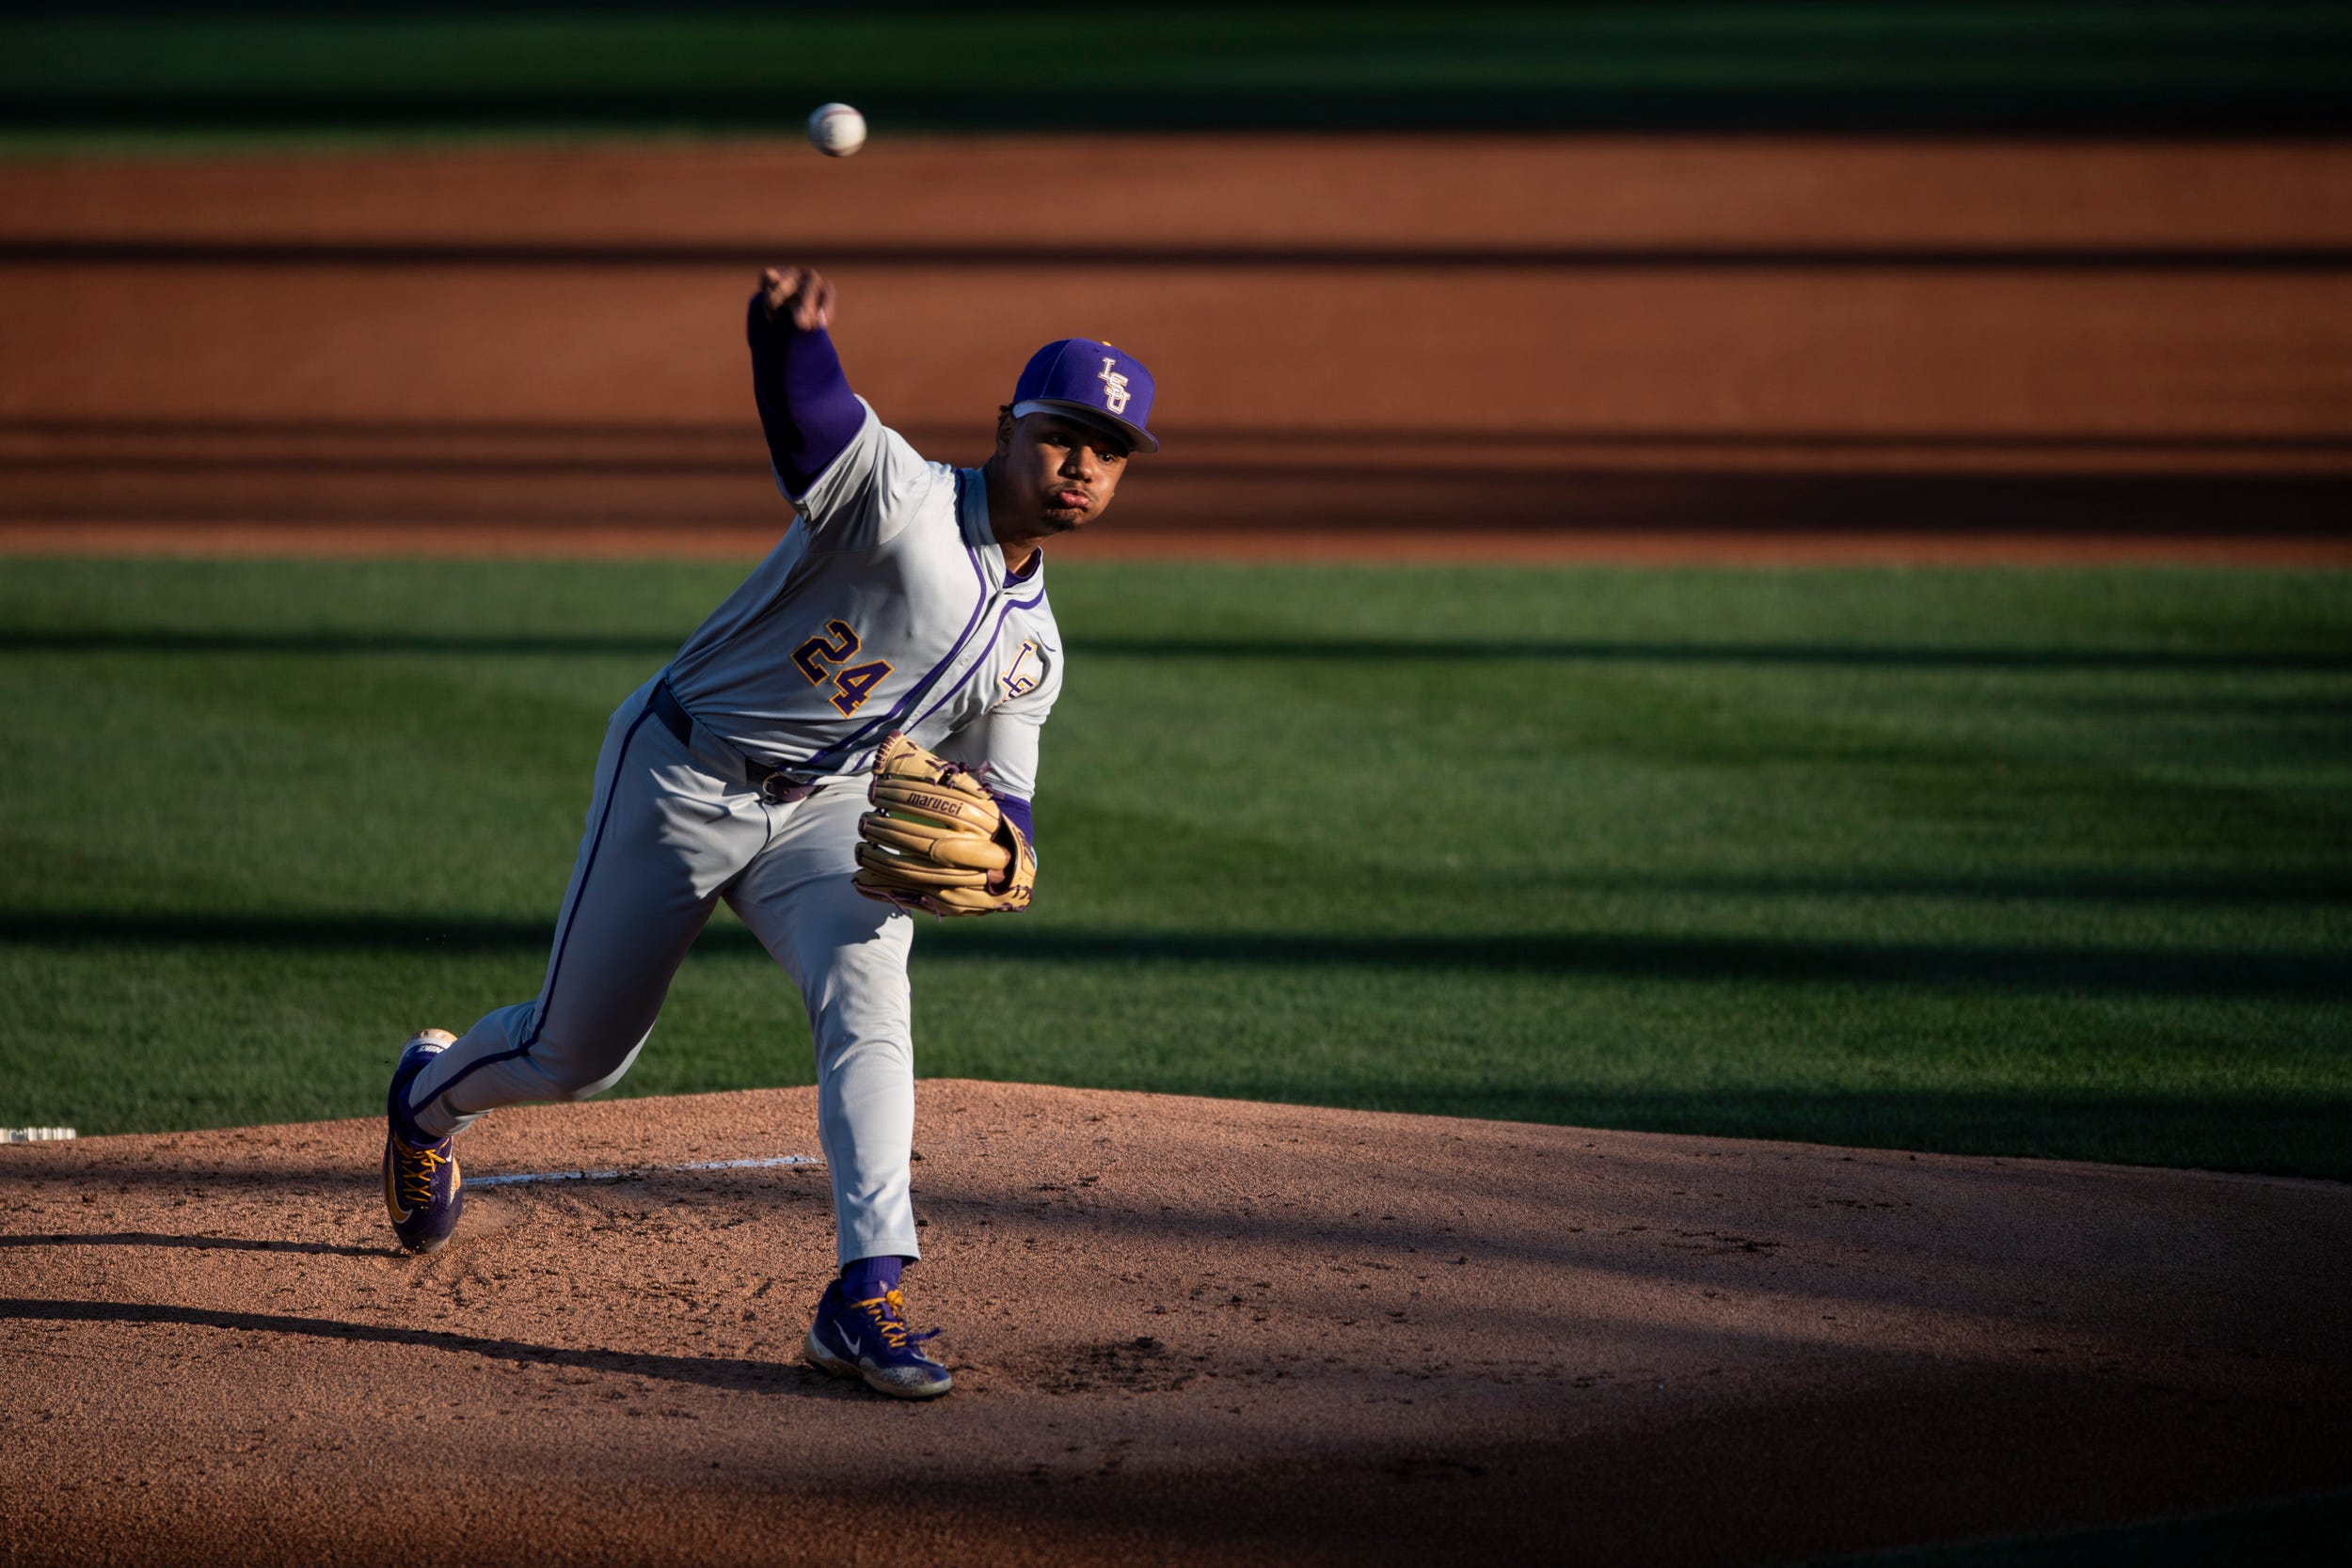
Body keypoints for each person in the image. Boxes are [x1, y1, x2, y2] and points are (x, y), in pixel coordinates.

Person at [379, 265, 1157, 1400]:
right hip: (683, 771)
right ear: (1009, 430)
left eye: (1110, 448)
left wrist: (1005, 848)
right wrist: (783, 337)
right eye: (1063, 434)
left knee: (870, 999)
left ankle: (866, 1291)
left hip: (827, 814)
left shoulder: (1034, 654)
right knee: (576, 1053)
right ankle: (427, 1095)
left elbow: (1007, 799)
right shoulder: (898, 493)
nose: (1083, 463)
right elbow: (813, 425)